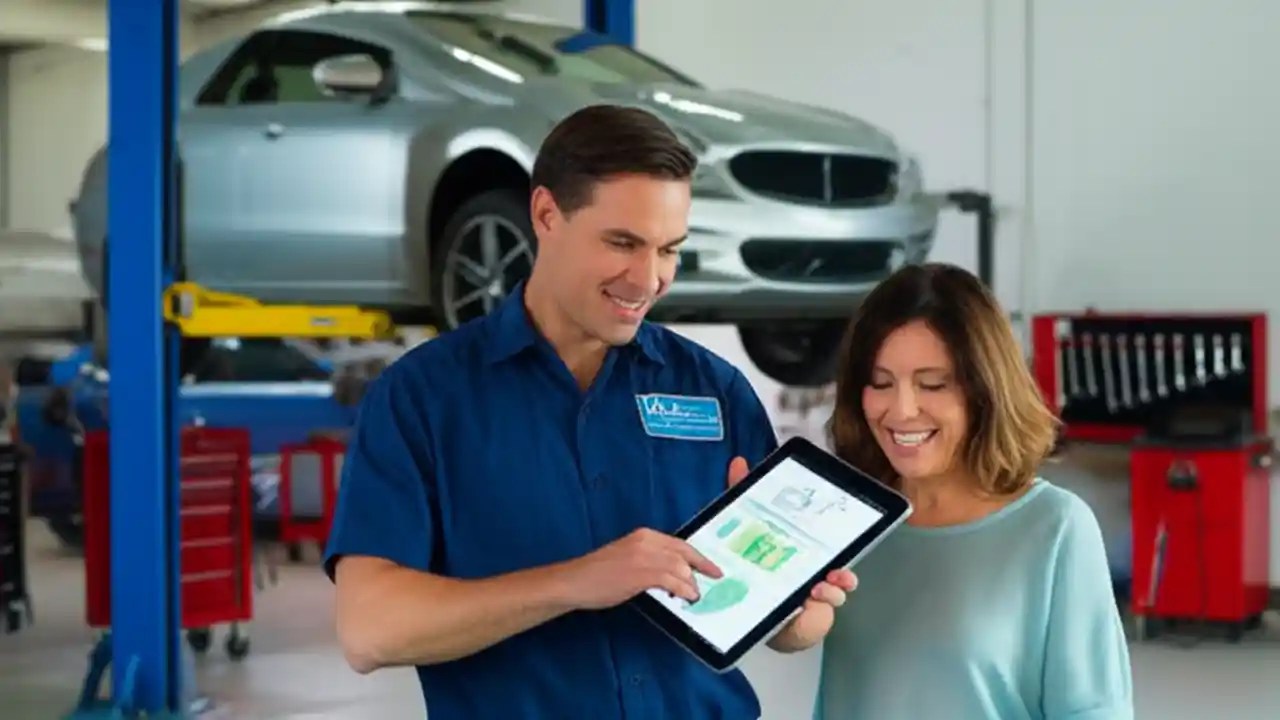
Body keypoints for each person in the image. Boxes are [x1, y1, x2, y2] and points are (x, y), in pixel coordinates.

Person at [323, 104, 856, 720]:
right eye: (622, 243)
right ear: (546, 214)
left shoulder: (716, 392)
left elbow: (781, 630)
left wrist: (802, 607)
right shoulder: (422, 398)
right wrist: (574, 582)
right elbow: (369, 632)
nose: (648, 278)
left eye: (669, 249)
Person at [812, 262, 1133, 720]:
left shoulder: (1054, 527)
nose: (901, 410)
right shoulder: (846, 520)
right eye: (880, 383)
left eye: (933, 384)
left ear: (983, 390)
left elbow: (1094, 710)